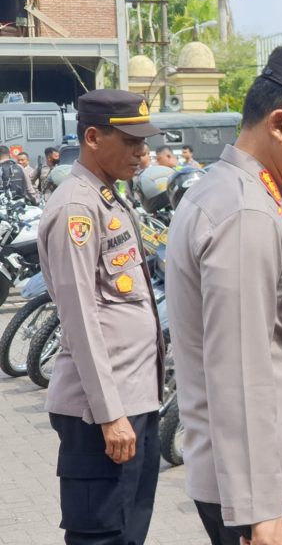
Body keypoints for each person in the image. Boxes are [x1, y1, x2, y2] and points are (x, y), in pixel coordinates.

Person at [165, 46, 282, 545]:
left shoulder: (240, 194)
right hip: (270, 490)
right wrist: (261, 512)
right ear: (280, 123)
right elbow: (240, 373)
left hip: (268, 477)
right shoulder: (244, 213)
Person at [37, 89, 165, 545]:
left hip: (134, 400)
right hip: (101, 414)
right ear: (93, 137)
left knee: (128, 531)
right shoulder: (78, 207)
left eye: (144, 142)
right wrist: (111, 415)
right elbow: (80, 318)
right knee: (103, 536)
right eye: (131, 141)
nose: (142, 152)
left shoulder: (108, 197)